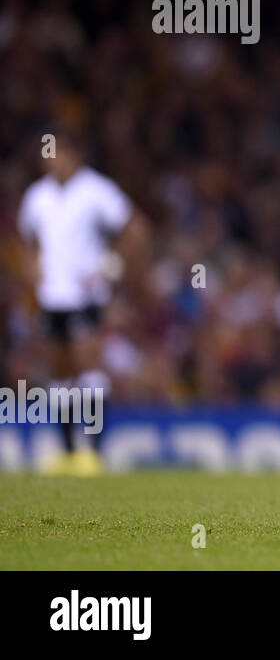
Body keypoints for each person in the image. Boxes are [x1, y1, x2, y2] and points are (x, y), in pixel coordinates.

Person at [17, 128, 147, 476]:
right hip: (51, 298)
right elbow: (27, 240)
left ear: (74, 155)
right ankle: (68, 452)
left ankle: (93, 451)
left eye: (57, 154)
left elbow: (135, 228)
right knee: (59, 375)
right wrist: (32, 269)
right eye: (47, 155)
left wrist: (110, 266)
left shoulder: (96, 191)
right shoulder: (37, 197)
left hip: (84, 296)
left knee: (88, 369)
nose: (51, 161)